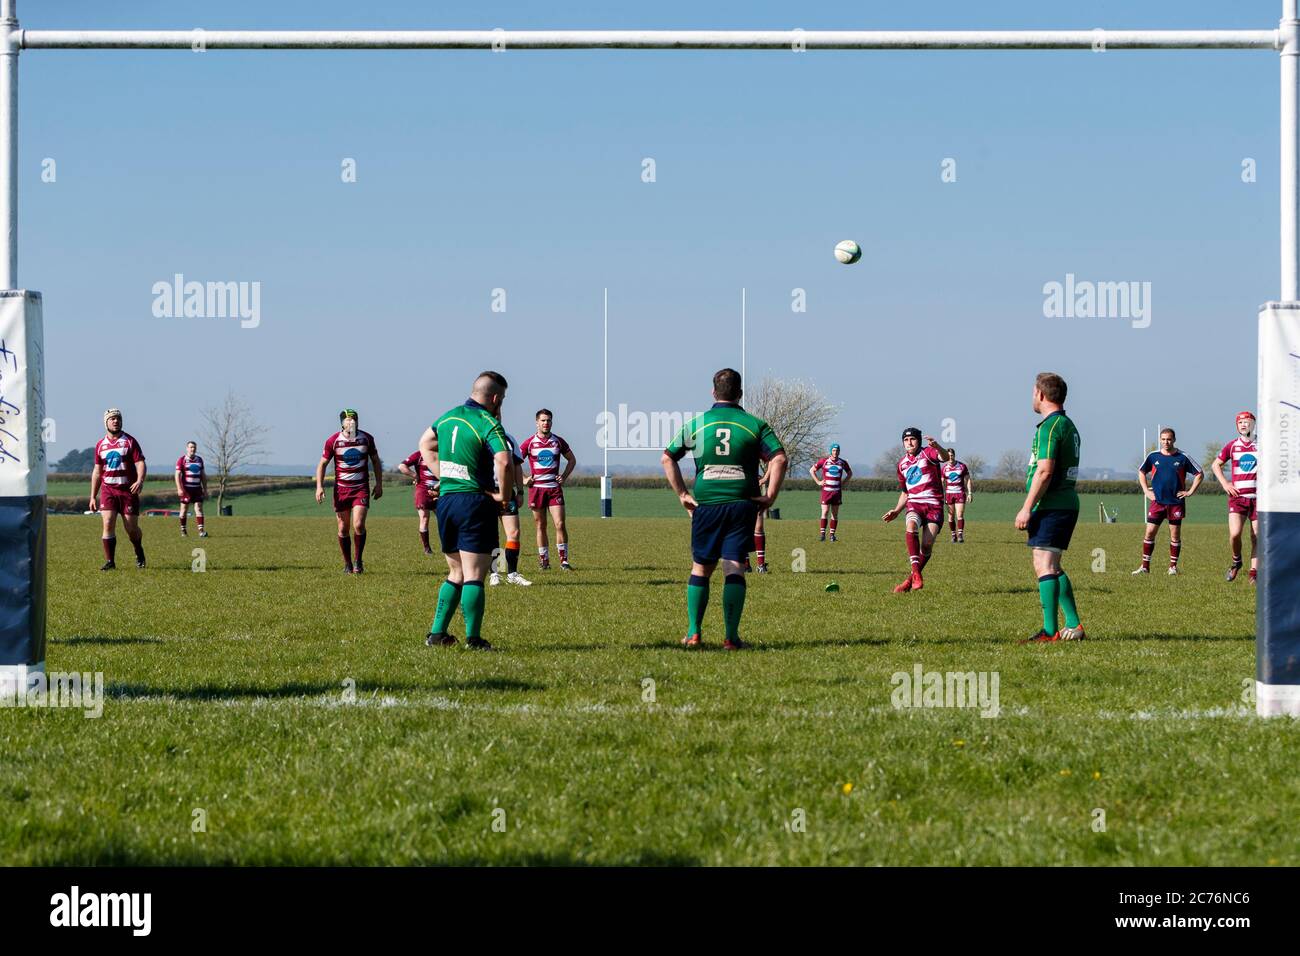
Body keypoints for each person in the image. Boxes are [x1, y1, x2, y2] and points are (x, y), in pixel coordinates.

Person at [662, 368, 787, 650]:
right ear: (740, 394)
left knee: (701, 568)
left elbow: (667, 458)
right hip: (742, 505)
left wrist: (683, 494)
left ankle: (694, 633)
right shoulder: (754, 425)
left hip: (706, 506)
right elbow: (779, 460)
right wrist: (769, 496)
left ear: (713, 392)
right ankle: (731, 638)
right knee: (734, 567)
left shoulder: (696, 425)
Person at [421, 371, 512, 650]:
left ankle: (437, 635)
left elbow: (425, 445)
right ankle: (474, 639)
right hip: (474, 502)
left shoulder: (446, 417)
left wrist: (446, 476)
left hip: (446, 502)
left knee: (456, 571)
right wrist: (503, 497)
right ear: (495, 398)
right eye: (503, 400)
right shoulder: (488, 422)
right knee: (475, 573)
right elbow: (504, 461)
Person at [1015, 372, 1085, 643]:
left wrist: (1026, 507)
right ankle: (1074, 625)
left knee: (1044, 564)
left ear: (1041, 395)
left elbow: (1044, 471)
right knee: (1051, 565)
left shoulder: (1050, 427)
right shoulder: (1067, 424)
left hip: (1053, 503)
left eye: (1033, 392)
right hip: (1063, 503)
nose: (1032, 397)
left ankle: (1049, 631)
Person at [882, 428, 951, 592]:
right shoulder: (901, 464)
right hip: (914, 504)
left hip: (934, 505)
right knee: (911, 527)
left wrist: (937, 446)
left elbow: (946, 457)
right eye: (906, 440)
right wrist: (897, 510)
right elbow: (905, 492)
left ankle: (908, 581)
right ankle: (916, 574)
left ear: (918, 440)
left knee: (927, 545)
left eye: (912, 439)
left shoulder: (928, 453)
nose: (909, 443)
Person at [316, 409, 382, 574]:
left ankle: (358, 561)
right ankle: (347, 564)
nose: (351, 422)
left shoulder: (367, 438)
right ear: (342, 423)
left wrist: (379, 483)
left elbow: (375, 460)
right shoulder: (333, 441)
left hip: (360, 488)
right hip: (341, 490)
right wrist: (319, 486)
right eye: (348, 420)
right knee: (343, 528)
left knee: (358, 524)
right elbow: (322, 464)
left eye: (354, 419)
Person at [1131, 428, 1202, 576]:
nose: (1166, 442)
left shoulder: (1183, 457)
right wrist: (1146, 491)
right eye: (1163, 439)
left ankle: (1173, 567)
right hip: (1157, 502)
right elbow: (1141, 471)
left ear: (1174, 440)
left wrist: (1190, 491)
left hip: (1176, 502)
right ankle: (1145, 567)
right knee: (1149, 532)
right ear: (1160, 440)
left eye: (1168, 439)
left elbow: (1199, 473)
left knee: (1175, 535)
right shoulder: (1153, 456)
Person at [519, 409, 577, 571]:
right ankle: (544, 561)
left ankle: (564, 561)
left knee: (559, 523)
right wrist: (524, 479)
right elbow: (514, 461)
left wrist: (564, 476)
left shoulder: (558, 441)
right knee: (541, 525)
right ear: (537, 422)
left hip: (554, 489)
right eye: (543, 420)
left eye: (549, 420)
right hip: (536, 490)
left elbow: (572, 459)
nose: (546, 423)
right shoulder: (530, 443)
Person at [90, 408, 147, 570]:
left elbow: (140, 463)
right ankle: (110, 562)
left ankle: (138, 549)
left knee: (131, 529)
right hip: (108, 490)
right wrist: (93, 496)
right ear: (106, 422)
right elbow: (97, 471)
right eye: (112, 418)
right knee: (108, 523)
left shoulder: (129, 441)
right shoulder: (100, 445)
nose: (115, 421)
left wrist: (140, 480)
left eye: (118, 418)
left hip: (128, 491)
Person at [1212, 411, 1260, 583]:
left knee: (1257, 537)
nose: (1243, 425)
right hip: (1238, 498)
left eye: (1247, 422)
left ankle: (1254, 573)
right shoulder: (1232, 446)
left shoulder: (1262, 445)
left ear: (1253, 424)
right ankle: (1236, 561)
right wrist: (1225, 483)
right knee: (1235, 534)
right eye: (1240, 422)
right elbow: (1216, 464)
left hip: (1258, 499)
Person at [490, 429, 532, 587]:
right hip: (487, 492)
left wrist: (520, 491)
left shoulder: (508, 438)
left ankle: (512, 573)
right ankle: (495, 573)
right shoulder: (479, 438)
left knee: (513, 532)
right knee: (492, 535)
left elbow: (517, 466)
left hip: (507, 491)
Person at [397, 449, 439, 555]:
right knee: (424, 518)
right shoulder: (419, 454)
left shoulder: (444, 451)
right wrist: (415, 476)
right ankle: (427, 549)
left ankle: (448, 546)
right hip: (423, 489)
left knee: (444, 518)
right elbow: (402, 466)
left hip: (440, 489)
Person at [811, 443, 852, 542]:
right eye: (834, 450)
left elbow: (850, 473)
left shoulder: (842, 462)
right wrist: (818, 482)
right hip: (826, 491)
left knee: (835, 514)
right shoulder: (824, 461)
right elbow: (812, 470)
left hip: (837, 492)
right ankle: (822, 535)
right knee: (824, 512)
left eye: (837, 450)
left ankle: (832, 535)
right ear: (831, 451)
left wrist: (843, 483)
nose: (835, 452)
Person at [174, 440, 208, 538]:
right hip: (186, 490)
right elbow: (177, 475)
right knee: (184, 510)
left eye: (194, 447)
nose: (192, 449)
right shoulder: (182, 460)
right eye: (191, 447)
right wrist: (179, 489)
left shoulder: (199, 460)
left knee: (199, 508)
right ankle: (183, 530)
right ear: (187, 448)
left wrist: (205, 489)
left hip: (197, 489)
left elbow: (203, 475)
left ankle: (201, 531)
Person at [942, 449, 973, 543]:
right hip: (949, 494)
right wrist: (941, 495)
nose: (950, 457)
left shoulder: (962, 466)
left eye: (952, 455)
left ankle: (960, 535)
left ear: (954, 455)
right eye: (948, 456)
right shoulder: (944, 468)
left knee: (960, 515)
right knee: (950, 517)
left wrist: (970, 493)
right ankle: (953, 535)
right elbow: (942, 482)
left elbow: (968, 480)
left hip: (959, 493)